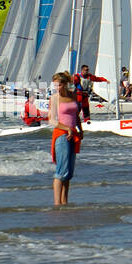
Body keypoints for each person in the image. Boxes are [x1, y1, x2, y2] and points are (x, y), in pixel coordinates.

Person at [48, 72, 83, 206]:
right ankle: (57, 204)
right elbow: (51, 120)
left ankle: (64, 202)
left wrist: (80, 129)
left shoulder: (72, 95)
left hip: (73, 133)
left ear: (66, 84)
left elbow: (76, 115)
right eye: (55, 85)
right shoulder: (55, 98)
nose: (58, 87)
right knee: (61, 171)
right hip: (61, 134)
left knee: (69, 172)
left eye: (60, 84)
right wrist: (67, 128)